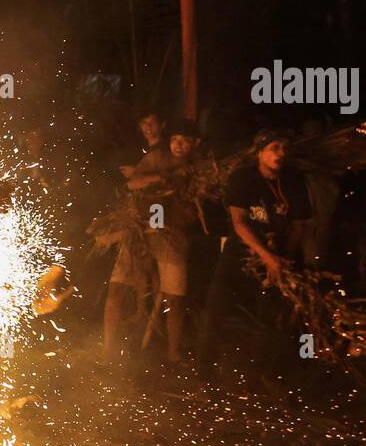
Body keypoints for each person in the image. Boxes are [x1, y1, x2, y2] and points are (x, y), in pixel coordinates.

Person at [197, 129, 312, 375]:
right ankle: (204, 371)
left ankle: (267, 374)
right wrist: (266, 256)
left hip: (279, 256)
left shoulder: (293, 180)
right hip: (241, 251)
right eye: (274, 148)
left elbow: (299, 224)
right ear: (260, 152)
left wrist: (284, 262)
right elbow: (239, 223)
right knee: (215, 308)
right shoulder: (243, 178)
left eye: (284, 148)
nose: (281, 154)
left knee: (274, 318)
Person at [103, 119, 206, 364]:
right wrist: (162, 178)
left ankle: (173, 353)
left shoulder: (201, 169)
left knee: (175, 296)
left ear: (195, 144)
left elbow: (198, 205)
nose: (179, 145)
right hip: (140, 231)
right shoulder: (156, 159)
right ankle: (106, 350)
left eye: (185, 141)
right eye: (175, 139)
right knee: (117, 287)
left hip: (172, 237)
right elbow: (132, 183)